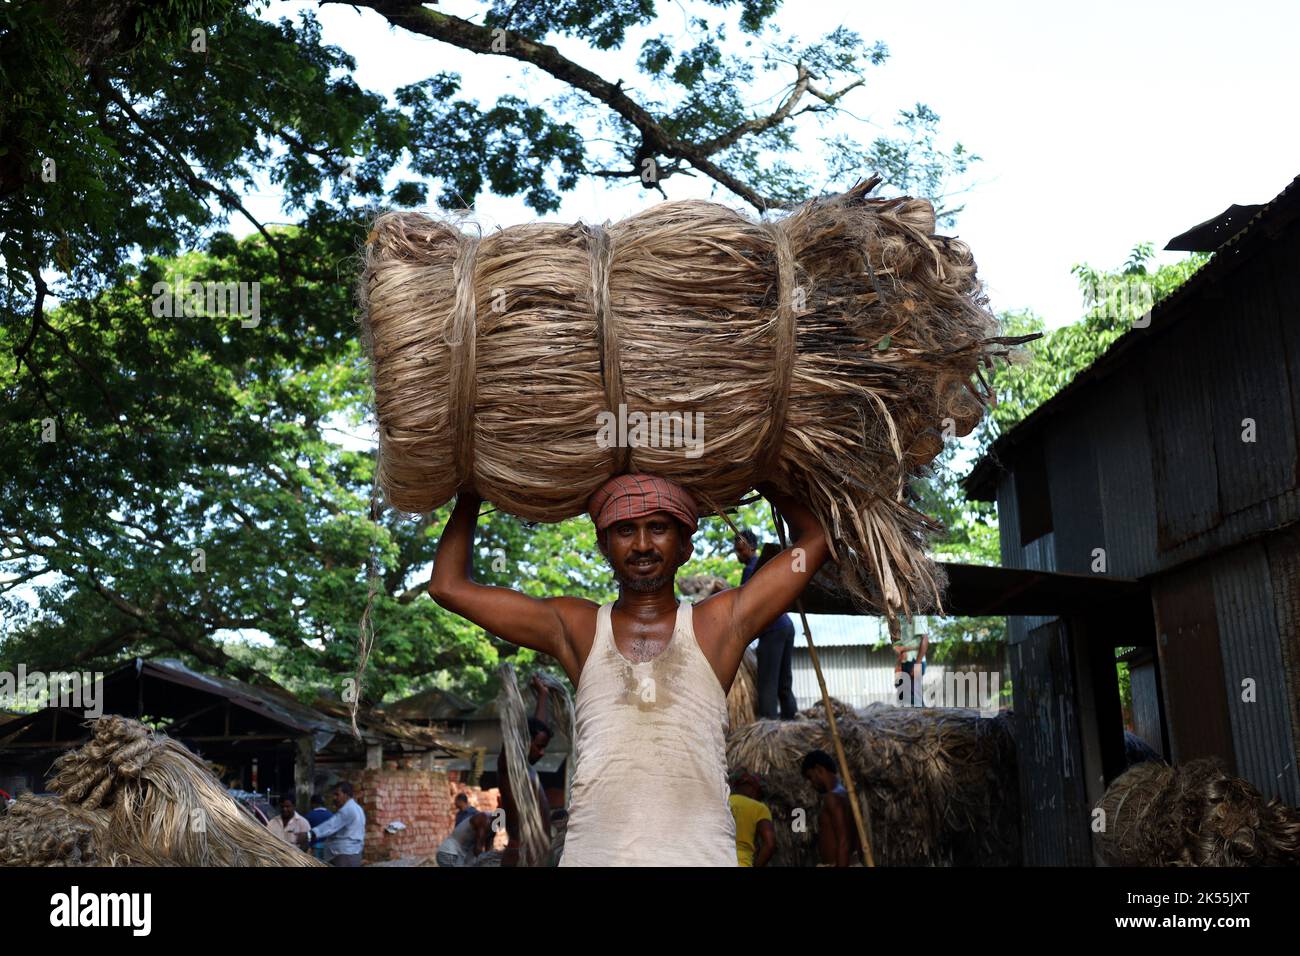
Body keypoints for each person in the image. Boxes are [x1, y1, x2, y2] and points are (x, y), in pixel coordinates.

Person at [430, 473, 830, 866]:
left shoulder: (720, 624)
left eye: (658, 528)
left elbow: (814, 542)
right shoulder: (577, 627)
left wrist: (763, 472)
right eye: (624, 530)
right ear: (604, 545)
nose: (641, 545)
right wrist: (469, 489)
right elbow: (447, 586)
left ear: (685, 545)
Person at [734, 529, 799, 720]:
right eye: (736, 551)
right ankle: (791, 722)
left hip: (772, 630)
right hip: (786, 626)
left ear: (752, 547)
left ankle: (768, 729)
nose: (739, 554)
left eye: (741, 550)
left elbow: (744, 605)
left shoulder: (751, 570)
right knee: (784, 683)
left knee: (767, 685)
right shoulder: (765, 565)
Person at [497, 672, 553, 867]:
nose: (542, 752)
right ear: (524, 742)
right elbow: (519, 733)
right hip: (521, 858)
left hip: (537, 856)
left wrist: (543, 695)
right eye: (539, 747)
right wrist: (512, 694)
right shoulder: (510, 768)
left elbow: (538, 729)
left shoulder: (527, 769)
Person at [801, 749, 862, 867]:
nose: (811, 783)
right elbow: (857, 841)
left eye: (810, 777)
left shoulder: (832, 798)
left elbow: (844, 842)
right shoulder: (847, 796)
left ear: (819, 769)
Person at [307, 781, 366, 866]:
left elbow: (330, 826)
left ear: (346, 795)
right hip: (353, 853)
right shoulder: (357, 808)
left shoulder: (348, 810)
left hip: (344, 854)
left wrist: (311, 834)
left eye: (337, 794)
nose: (334, 798)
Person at [728, 769, 776, 868]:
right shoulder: (759, 808)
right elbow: (770, 844)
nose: (756, 795)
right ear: (749, 785)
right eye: (757, 790)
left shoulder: (721, 802)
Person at [893, 630, 929, 707]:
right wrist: (899, 664)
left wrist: (904, 649)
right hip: (903, 664)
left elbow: (924, 639)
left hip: (913, 661)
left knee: (914, 697)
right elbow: (897, 648)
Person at [304, 793, 332, 861]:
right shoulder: (331, 815)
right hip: (329, 848)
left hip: (314, 848)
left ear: (313, 804)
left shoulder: (309, 816)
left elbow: (306, 834)